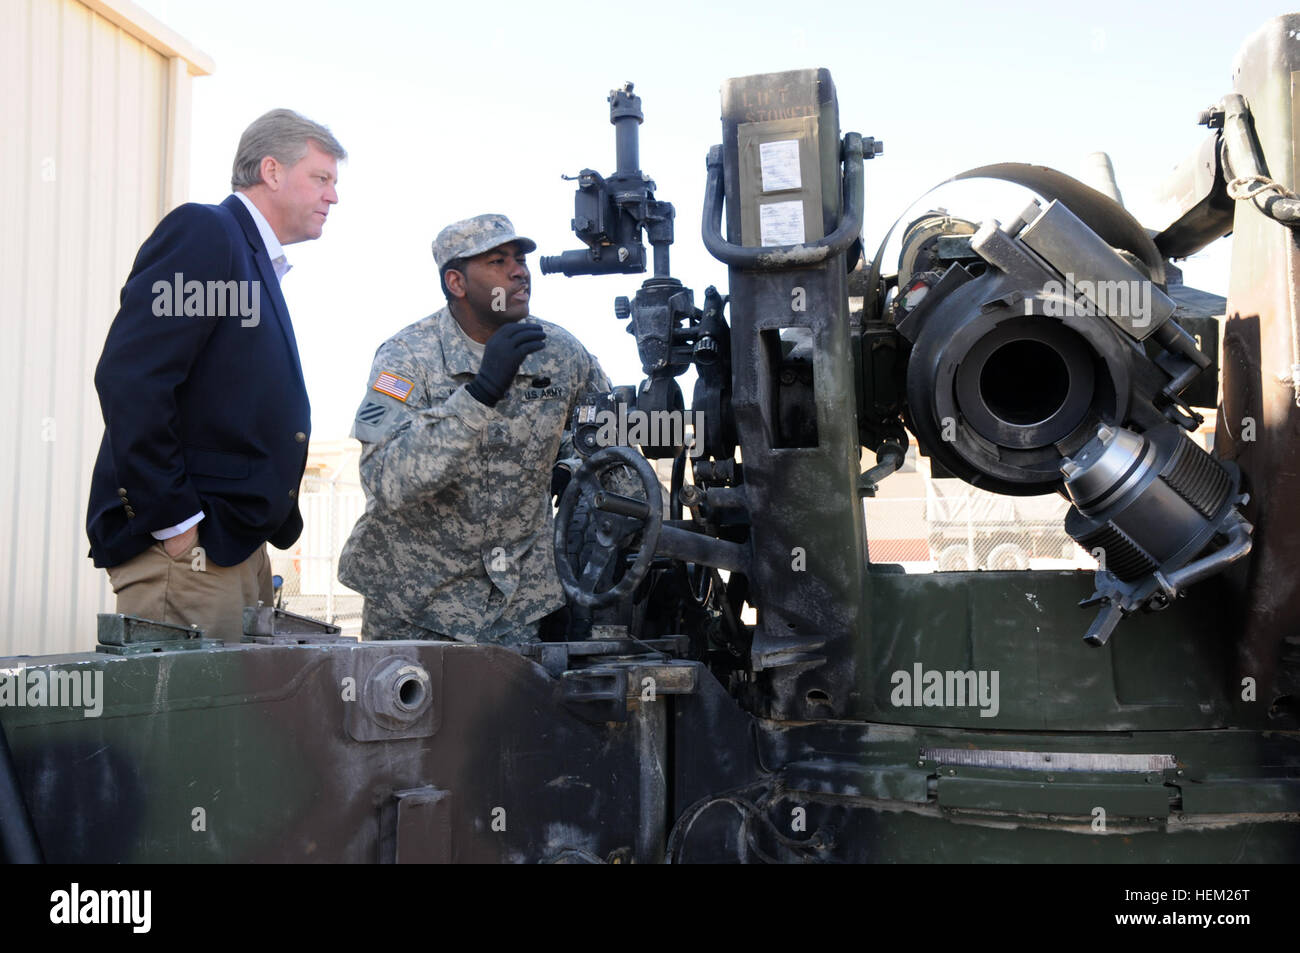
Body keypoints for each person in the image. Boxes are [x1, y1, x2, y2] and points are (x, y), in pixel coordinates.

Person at [86, 109, 346, 643]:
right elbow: (131, 377)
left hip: (233, 545)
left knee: (230, 721)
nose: (333, 196)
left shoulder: (251, 260)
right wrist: (176, 524)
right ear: (271, 172)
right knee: (183, 723)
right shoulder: (208, 232)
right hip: (187, 553)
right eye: (321, 178)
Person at [338, 213, 616, 644]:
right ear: (456, 282)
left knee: (513, 714)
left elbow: (609, 435)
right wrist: (480, 392)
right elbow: (386, 479)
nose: (518, 270)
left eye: (520, 258)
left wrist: (570, 466)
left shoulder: (559, 352)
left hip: (518, 606)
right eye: (497, 261)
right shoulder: (405, 358)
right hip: (415, 607)